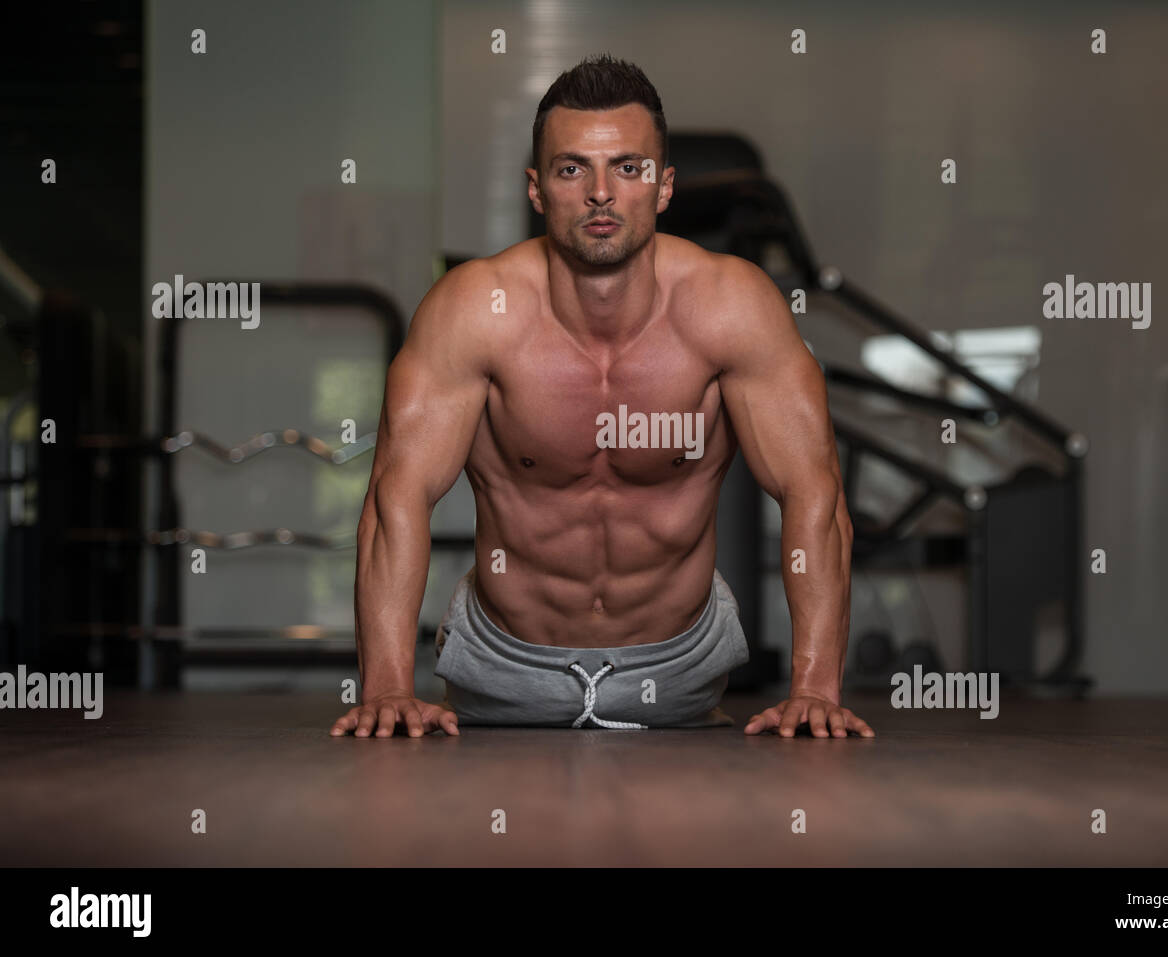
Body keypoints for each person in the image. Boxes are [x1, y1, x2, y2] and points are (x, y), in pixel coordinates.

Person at [331, 54, 873, 740]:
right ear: (536, 189)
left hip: (678, 667)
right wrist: (385, 687)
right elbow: (394, 498)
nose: (600, 193)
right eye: (570, 169)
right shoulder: (474, 310)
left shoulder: (731, 307)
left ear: (664, 185)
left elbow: (814, 495)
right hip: (504, 665)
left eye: (628, 167)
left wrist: (815, 690)